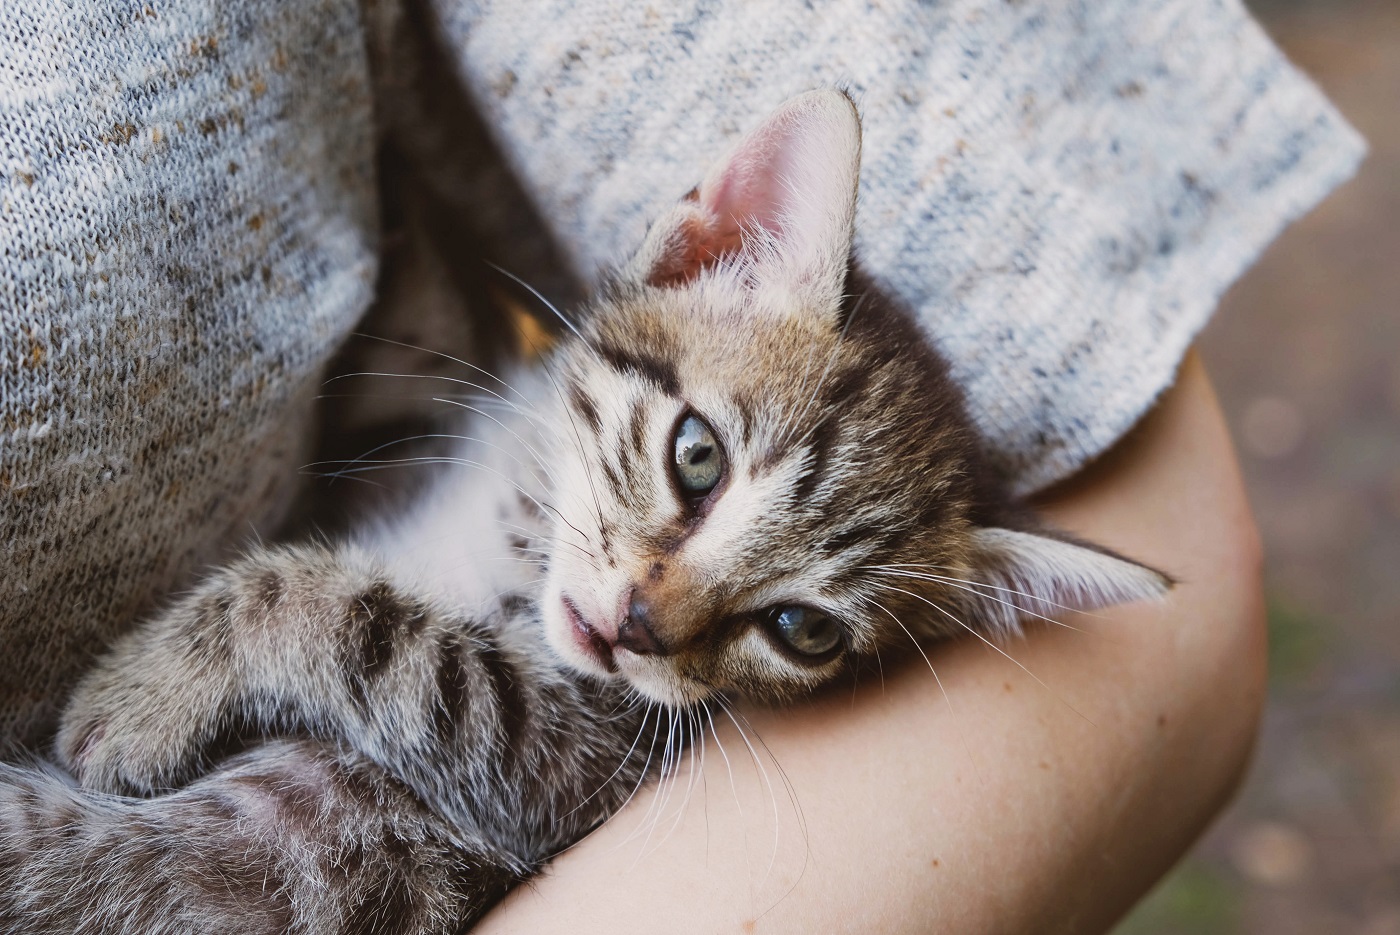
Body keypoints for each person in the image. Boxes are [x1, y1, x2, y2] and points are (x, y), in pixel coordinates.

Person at [0, 0, 1362, 929]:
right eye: (699, 461)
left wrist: (267, 617)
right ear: (705, 253)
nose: (665, 611)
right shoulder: (690, 331)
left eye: (792, 623)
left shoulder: (626, 683)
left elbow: (530, 771)